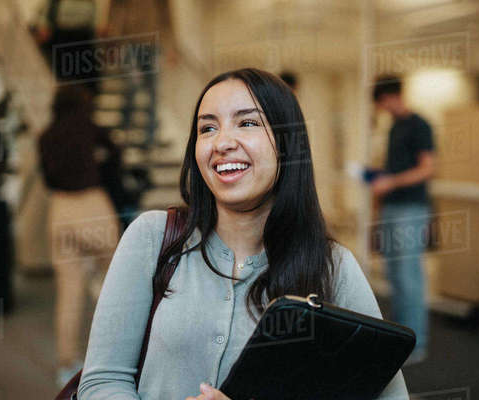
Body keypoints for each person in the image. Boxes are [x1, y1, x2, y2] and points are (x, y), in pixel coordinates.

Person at [78, 68, 409, 399]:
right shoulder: (151, 238)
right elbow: (102, 382)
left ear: (286, 144)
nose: (222, 143)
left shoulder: (332, 266)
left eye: (247, 123)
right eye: (207, 128)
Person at [38, 85, 121, 386]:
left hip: (60, 211)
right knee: (118, 287)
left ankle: (66, 366)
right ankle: (117, 359)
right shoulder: (89, 127)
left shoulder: (45, 136)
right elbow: (115, 155)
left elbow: (47, 179)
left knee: (69, 293)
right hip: (92, 205)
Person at [371, 75, 436, 365]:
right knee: (395, 275)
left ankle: (417, 343)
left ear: (390, 98)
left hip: (411, 209)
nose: (382, 109)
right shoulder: (394, 127)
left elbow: (427, 169)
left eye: (382, 103)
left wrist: (392, 182)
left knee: (410, 277)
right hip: (392, 207)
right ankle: (400, 338)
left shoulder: (420, 125)